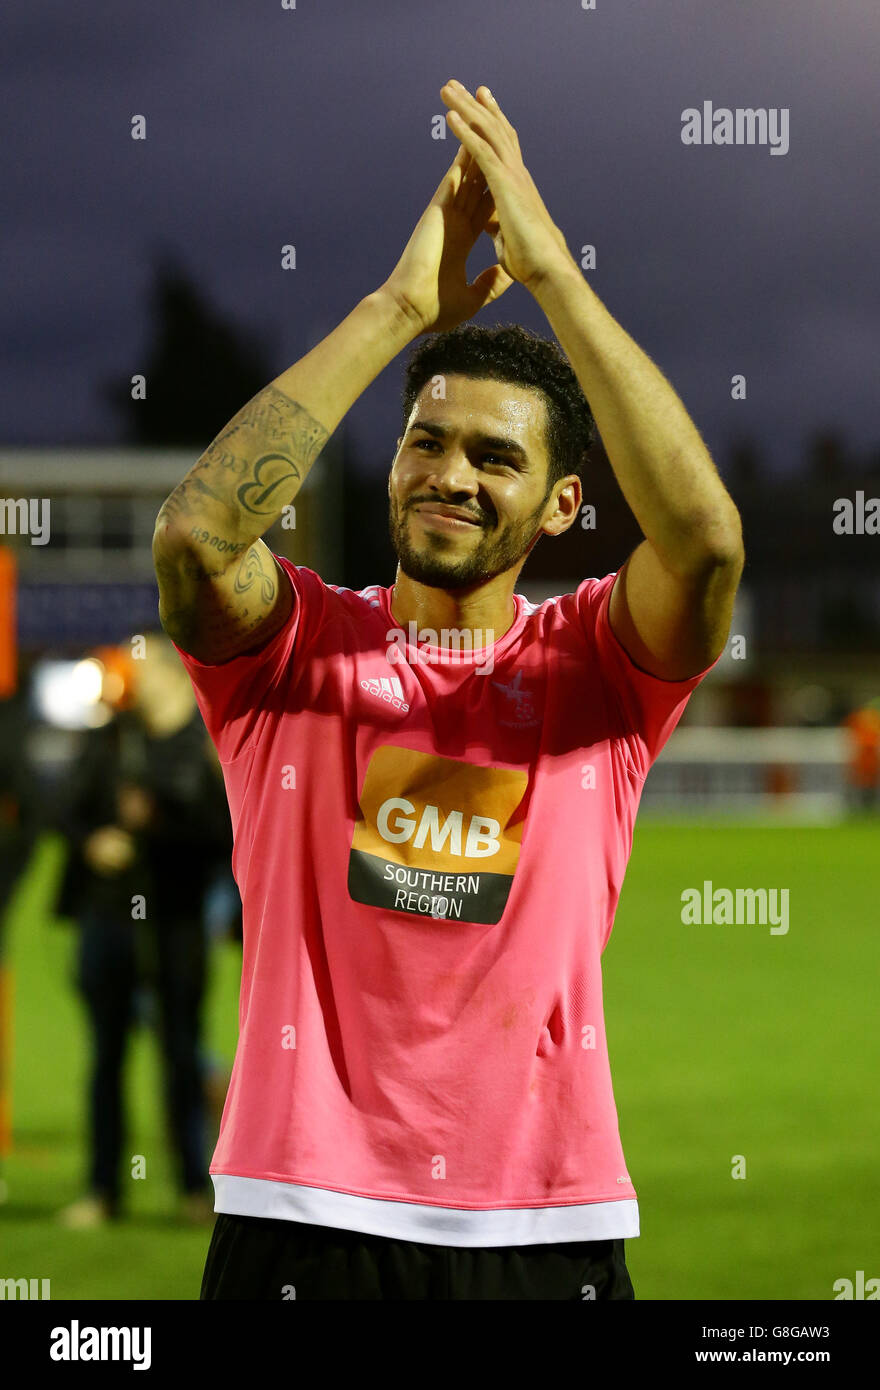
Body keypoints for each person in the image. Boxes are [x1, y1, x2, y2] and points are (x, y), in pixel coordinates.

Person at [153, 80, 744, 1299]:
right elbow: (197, 541)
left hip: (544, 1234)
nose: (449, 474)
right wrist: (398, 307)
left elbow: (704, 546)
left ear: (563, 507)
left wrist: (553, 277)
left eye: (495, 456)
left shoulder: (595, 668)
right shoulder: (294, 650)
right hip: (298, 1221)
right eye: (427, 440)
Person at [56, 633, 232, 1227]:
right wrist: (92, 842)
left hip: (177, 917)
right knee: (106, 1056)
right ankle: (103, 1191)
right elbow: (68, 810)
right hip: (109, 916)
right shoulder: (115, 733)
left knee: (180, 1052)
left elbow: (224, 834)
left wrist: (159, 822)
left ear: (172, 671)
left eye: (142, 667)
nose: (130, 679)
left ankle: (191, 1189)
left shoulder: (206, 741)